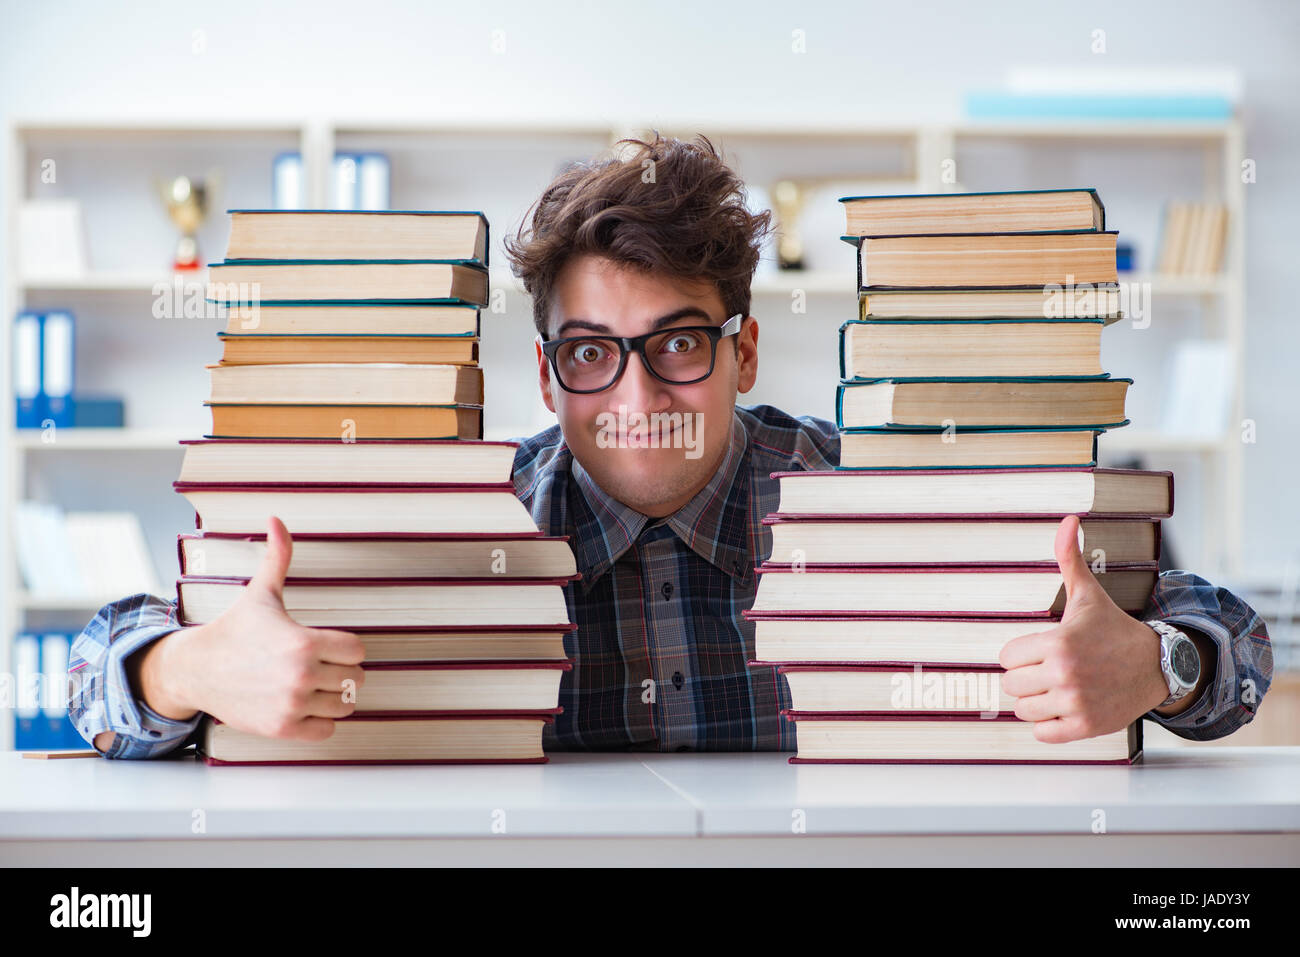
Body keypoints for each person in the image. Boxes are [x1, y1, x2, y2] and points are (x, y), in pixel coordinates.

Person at [68, 133, 1273, 757]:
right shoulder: (459, 520)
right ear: (547, 374)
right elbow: (94, 670)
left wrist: (1156, 666)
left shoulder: (881, 494)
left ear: (745, 354)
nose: (636, 389)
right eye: (591, 351)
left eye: (679, 343)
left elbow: (1229, 643)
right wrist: (181, 676)